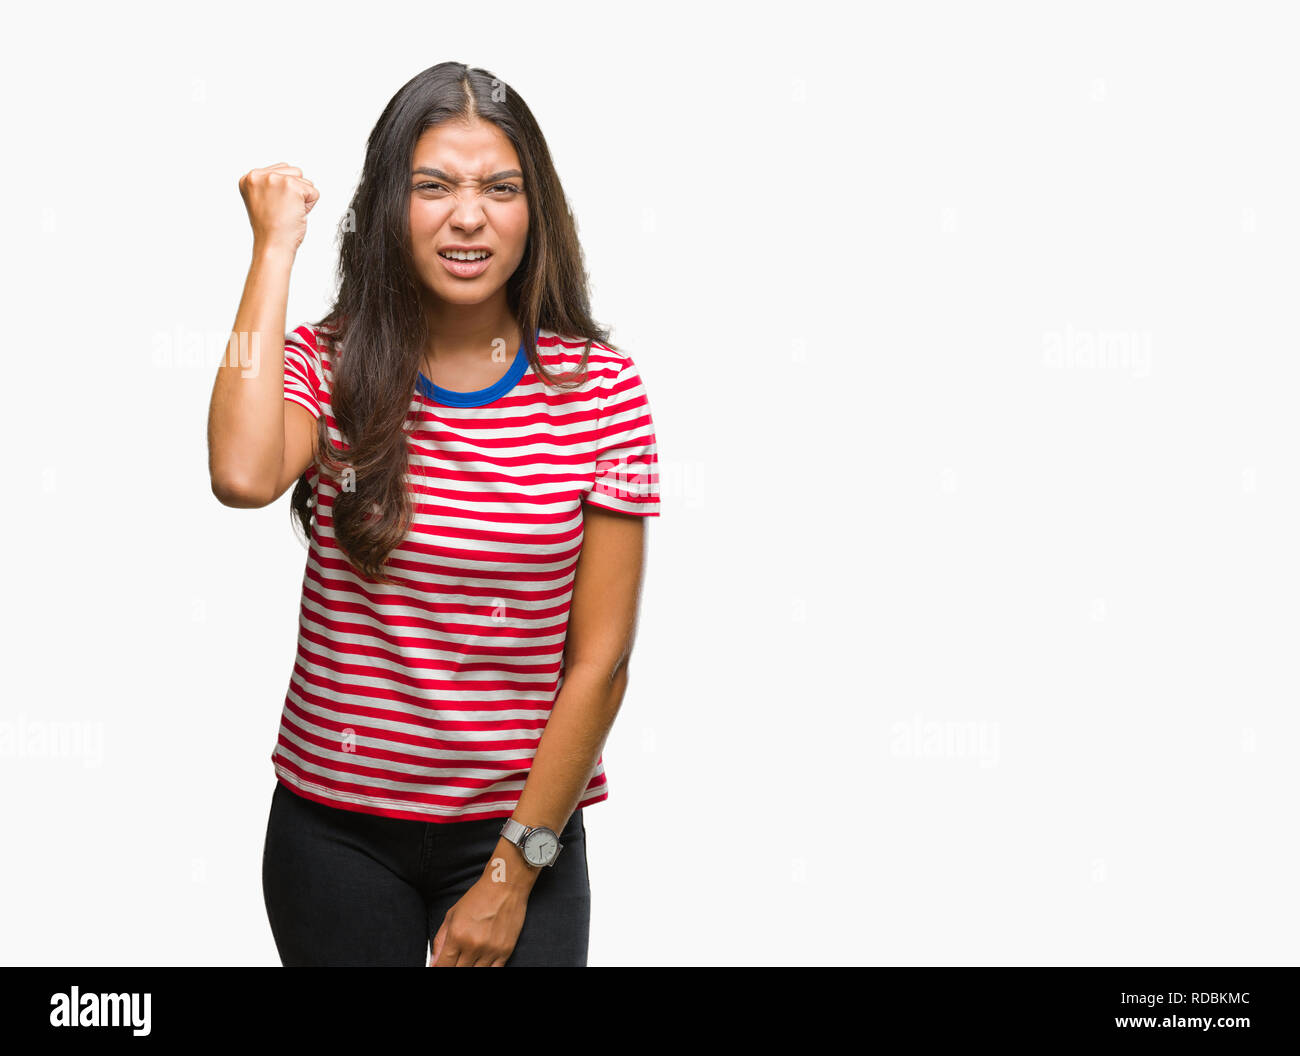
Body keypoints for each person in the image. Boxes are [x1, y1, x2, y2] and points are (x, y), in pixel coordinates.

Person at [206, 61, 660, 966]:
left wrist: (511, 875)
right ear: (388, 207)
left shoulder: (601, 391)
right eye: (433, 186)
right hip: (333, 834)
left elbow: (601, 662)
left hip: (520, 832)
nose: (467, 215)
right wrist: (273, 249)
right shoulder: (328, 364)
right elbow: (244, 472)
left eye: (500, 187)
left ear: (536, 212)